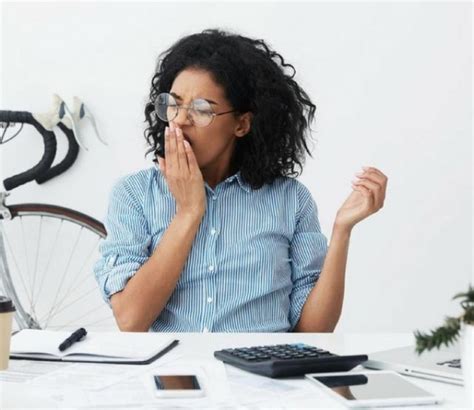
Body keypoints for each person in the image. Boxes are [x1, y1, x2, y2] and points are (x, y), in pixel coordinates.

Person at [93, 29, 388, 333]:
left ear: (242, 124)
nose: (179, 120)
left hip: (263, 363)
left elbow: (313, 333)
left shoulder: (291, 201)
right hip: (176, 364)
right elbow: (131, 319)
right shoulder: (135, 194)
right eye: (174, 104)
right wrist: (189, 212)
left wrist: (342, 230)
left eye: (201, 109)